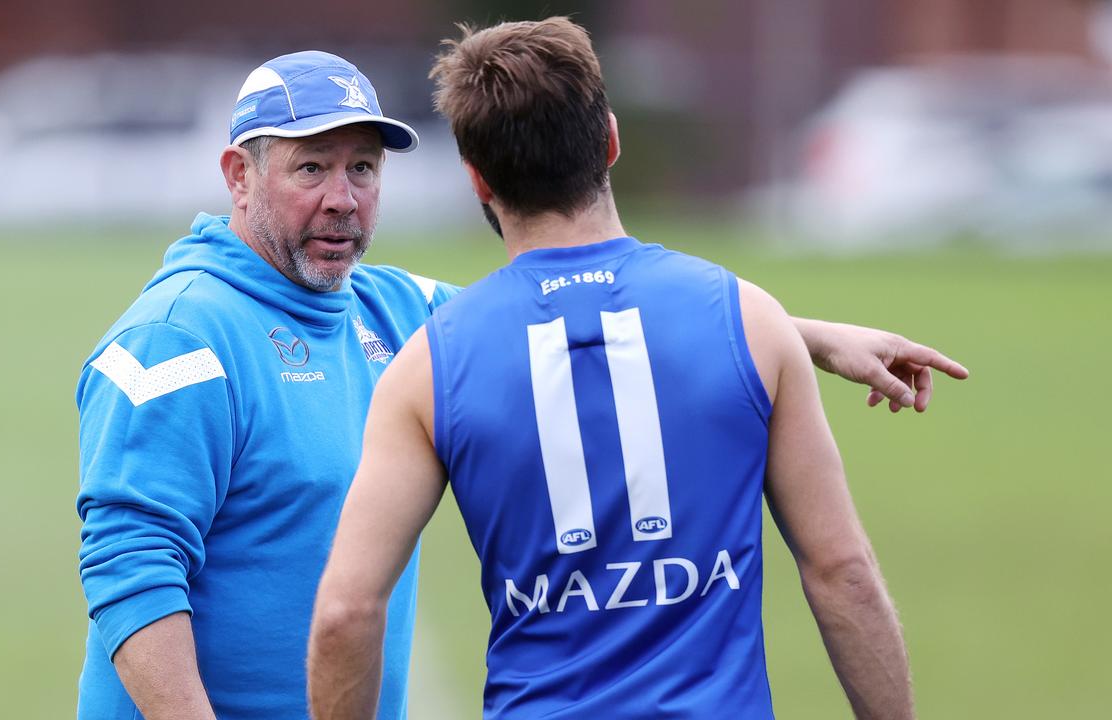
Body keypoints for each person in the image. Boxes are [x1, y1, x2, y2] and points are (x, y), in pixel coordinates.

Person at [78, 49, 962, 720]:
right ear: (239, 175)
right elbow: (131, 574)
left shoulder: (390, 311)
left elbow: (571, 326)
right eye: (311, 169)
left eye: (364, 169)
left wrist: (812, 339)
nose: (344, 199)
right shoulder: (176, 340)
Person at [308, 19, 934, 719]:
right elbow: (842, 574)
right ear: (609, 139)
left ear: (478, 180)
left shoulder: (430, 364)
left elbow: (346, 612)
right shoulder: (749, 323)